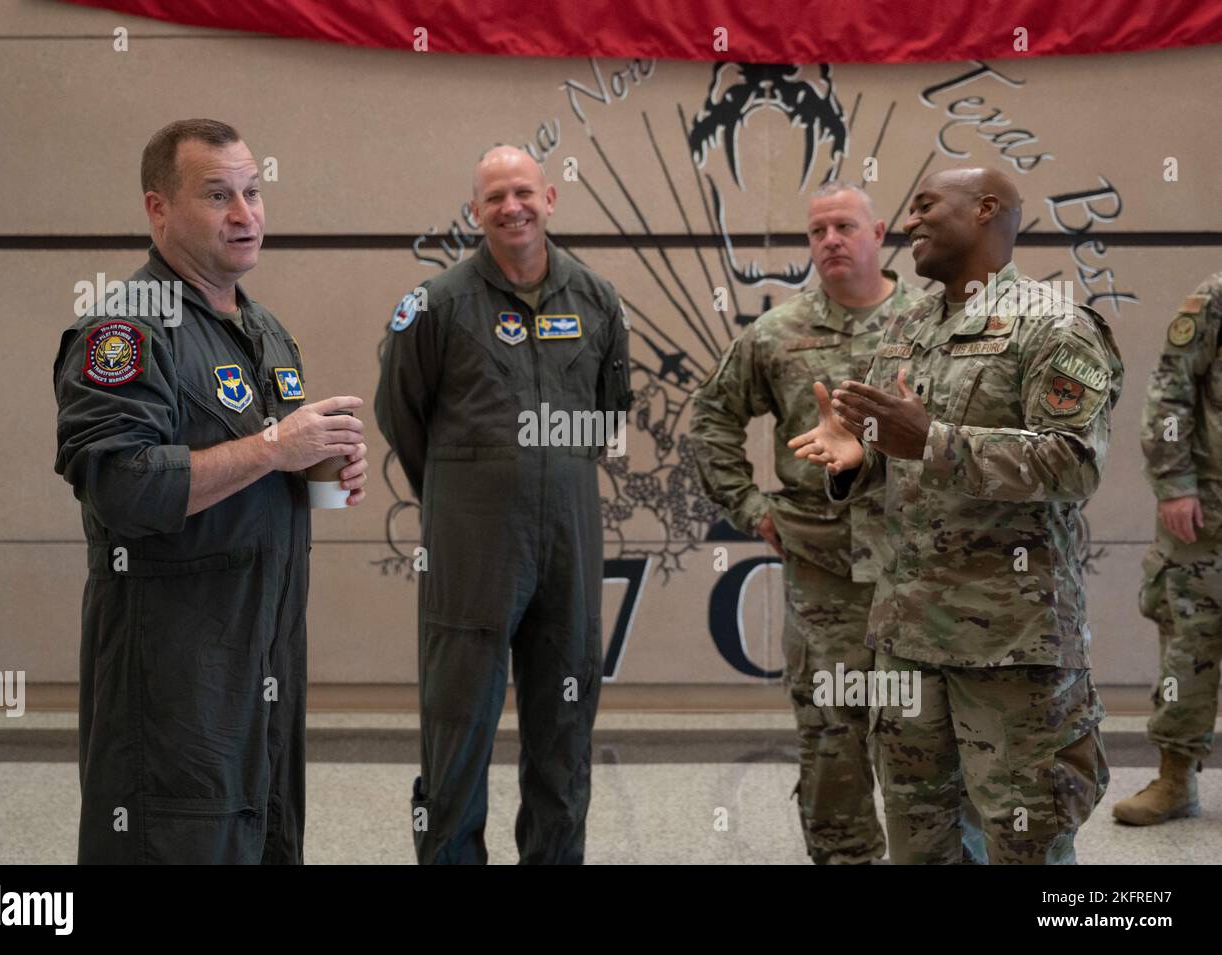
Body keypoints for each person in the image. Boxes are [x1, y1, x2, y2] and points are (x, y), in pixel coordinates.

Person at [53, 119, 368, 864]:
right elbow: (121, 487)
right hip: (174, 684)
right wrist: (273, 448)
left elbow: (271, 467)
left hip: (266, 668)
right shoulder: (122, 331)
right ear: (158, 209)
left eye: (254, 193)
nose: (246, 214)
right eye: (219, 195)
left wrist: (322, 473)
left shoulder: (265, 330)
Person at [790, 167, 1121, 864]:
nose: (911, 223)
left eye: (926, 206)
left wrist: (933, 440)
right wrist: (859, 459)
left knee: (1024, 844)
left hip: (1012, 648)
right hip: (908, 638)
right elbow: (895, 451)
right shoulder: (906, 324)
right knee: (921, 845)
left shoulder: (1054, 323)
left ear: (986, 210)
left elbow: (1073, 462)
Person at [376, 145, 632, 864]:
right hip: (472, 544)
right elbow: (400, 413)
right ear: (476, 211)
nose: (511, 207)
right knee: (456, 733)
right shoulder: (434, 304)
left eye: (523, 192)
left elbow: (610, 414)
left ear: (550, 197)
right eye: (494, 197)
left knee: (565, 733)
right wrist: (470, 485)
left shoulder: (597, 299)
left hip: (569, 543)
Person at [690, 182, 925, 864]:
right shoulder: (777, 334)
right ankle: (845, 856)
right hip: (824, 567)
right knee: (831, 730)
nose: (830, 240)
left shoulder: (931, 324)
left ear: (879, 233)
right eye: (818, 230)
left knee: (926, 727)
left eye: (845, 226)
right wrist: (752, 509)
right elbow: (711, 420)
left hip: (923, 567)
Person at [1114, 272, 1222, 826]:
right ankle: (1176, 779)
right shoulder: (1214, 299)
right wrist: (1175, 482)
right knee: (1191, 643)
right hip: (1208, 517)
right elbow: (1170, 390)